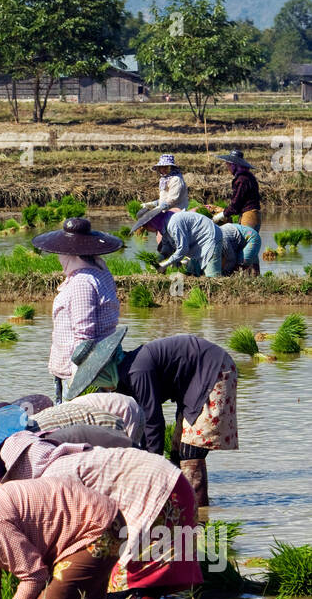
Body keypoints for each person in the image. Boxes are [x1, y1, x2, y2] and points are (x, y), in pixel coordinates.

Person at [0, 430, 203, 599]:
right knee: (138, 582)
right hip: (176, 486)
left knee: (119, 588)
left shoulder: (53, 477)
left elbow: (74, 537)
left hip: (157, 496)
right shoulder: (66, 461)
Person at [64, 329, 238, 510]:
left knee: (191, 453)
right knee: (178, 452)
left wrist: (152, 466)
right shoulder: (125, 375)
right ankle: (177, 508)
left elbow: (154, 421)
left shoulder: (137, 372)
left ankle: (198, 519)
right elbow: (139, 423)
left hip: (214, 369)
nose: (102, 387)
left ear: (105, 372)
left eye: (98, 380)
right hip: (192, 380)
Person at [31, 217, 122, 402]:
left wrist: (77, 383)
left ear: (71, 254)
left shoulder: (82, 283)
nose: (58, 257)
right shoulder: (100, 271)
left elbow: (84, 337)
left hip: (81, 372)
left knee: (73, 423)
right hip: (100, 364)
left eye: (60, 253)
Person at [130, 205, 222, 277]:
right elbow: (167, 246)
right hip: (197, 246)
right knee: (192, 274)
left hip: (210, 239)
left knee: (212, 278)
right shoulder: (164, 225)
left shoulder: (173, 222)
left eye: (146, 226)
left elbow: (182, 249)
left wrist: (165, 264)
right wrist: (158, 259)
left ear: (152, 222)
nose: (147, 230)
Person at [212, 149, 261, 231]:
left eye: (228, 165)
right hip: (254, 215)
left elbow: (236, 203)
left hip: (249, 216)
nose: (228, 167)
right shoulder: (248, 176)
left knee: (245, 242)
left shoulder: (242, 180)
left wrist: (221, 215)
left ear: (234, 165)